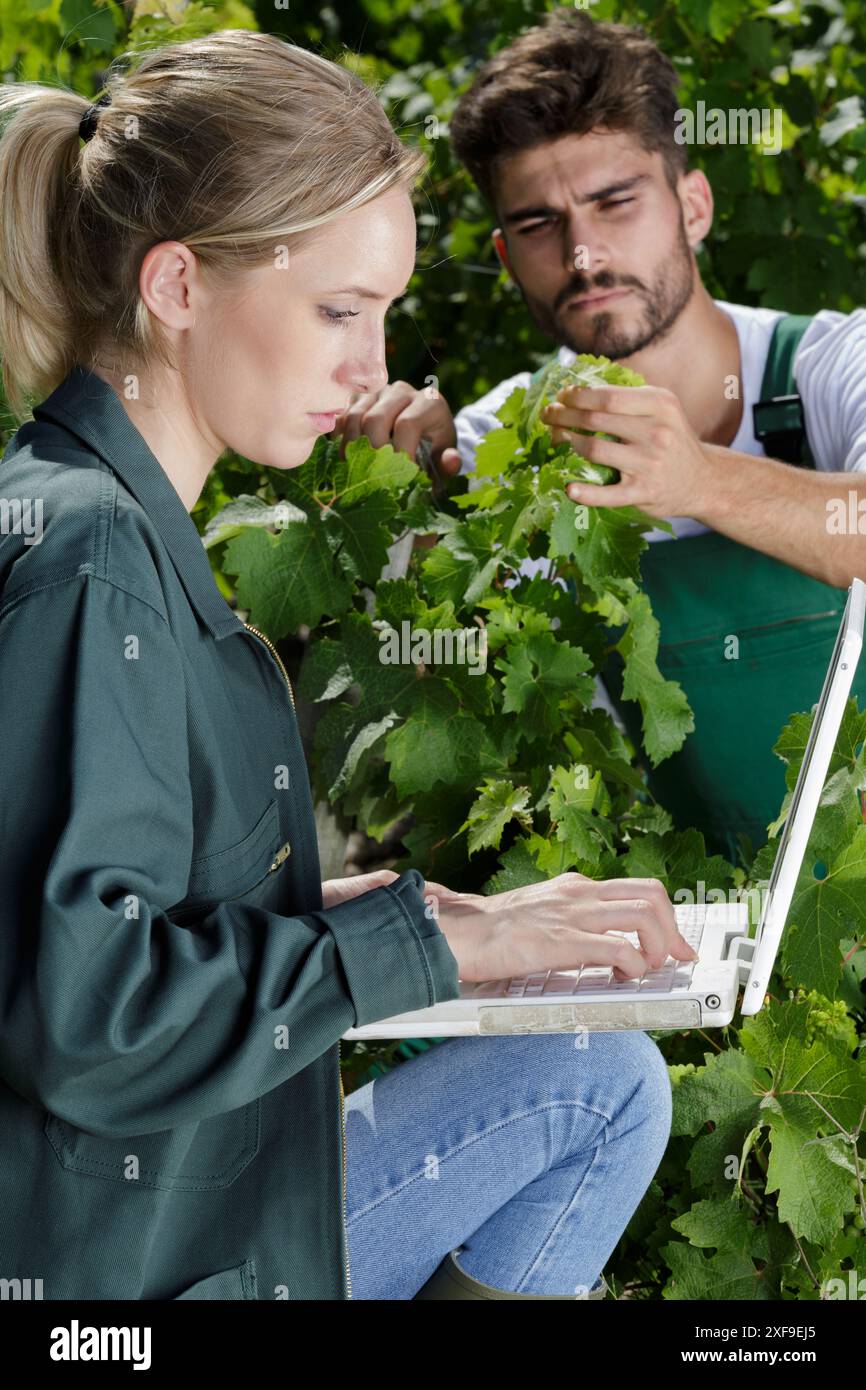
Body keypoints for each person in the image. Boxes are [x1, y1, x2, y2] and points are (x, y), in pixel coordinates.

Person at [0, 29, 693, 1302]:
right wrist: (417, 954)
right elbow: (86, 1021)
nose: (371, 370)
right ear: (176, 287)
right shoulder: (92, 562)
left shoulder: (108, 521)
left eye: (382, 314)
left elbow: (78, 931)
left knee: (595, 1069)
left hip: (197, 1227)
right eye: (338, 310)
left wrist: (453, 926)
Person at [335, 8, 866, 862]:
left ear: (693, 206)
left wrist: (699, 480)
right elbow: (451, 702)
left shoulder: (830, 366)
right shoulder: (506, 444)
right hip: (700, 937)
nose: (583, 254)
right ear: (507, 258)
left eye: (615, 202)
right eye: (541, 225)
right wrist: (408, 498)